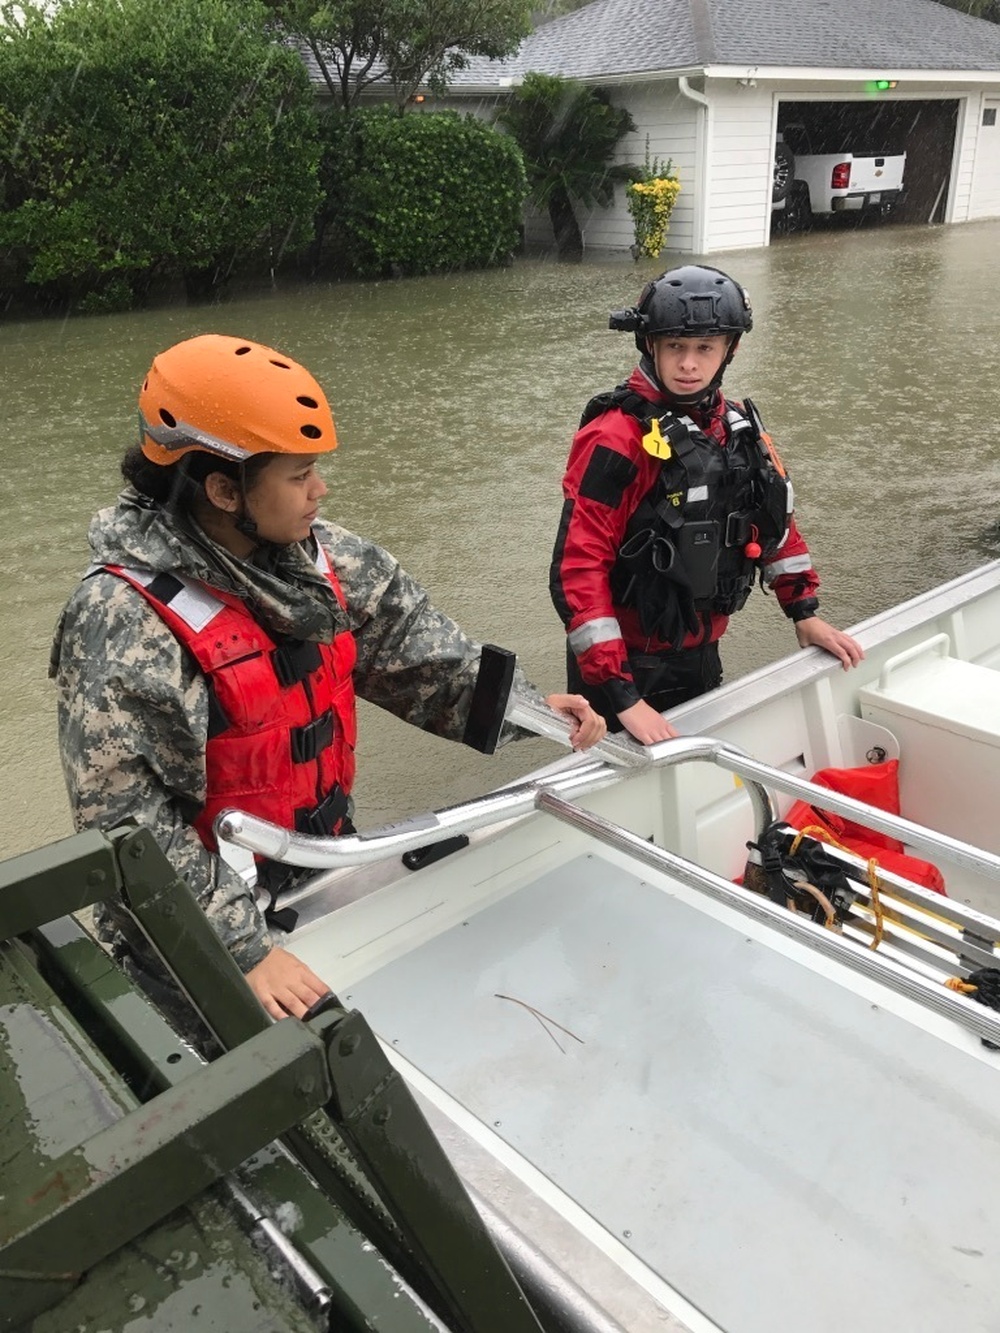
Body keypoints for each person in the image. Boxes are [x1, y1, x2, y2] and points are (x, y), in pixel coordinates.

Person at [51, 333, 605, 1041]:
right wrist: (243, 951)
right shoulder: (122, 621)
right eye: (300, 475)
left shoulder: (317, 558)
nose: (321, 491)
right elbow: (129, 829)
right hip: (196, 936)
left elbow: (420, 654)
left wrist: (526, 709)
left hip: (318, 868)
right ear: (224, 490)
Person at [549, 264, 863, 745]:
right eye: (675, 346)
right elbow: (579, 566)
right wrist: (623, 696)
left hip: (701, 652)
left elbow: (772, 523)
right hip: (622, 666)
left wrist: (805, 611)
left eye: (705, 348)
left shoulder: (734, 427)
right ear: (650, 344)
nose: (689, 364)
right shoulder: (615, 437)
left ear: (729, 350)